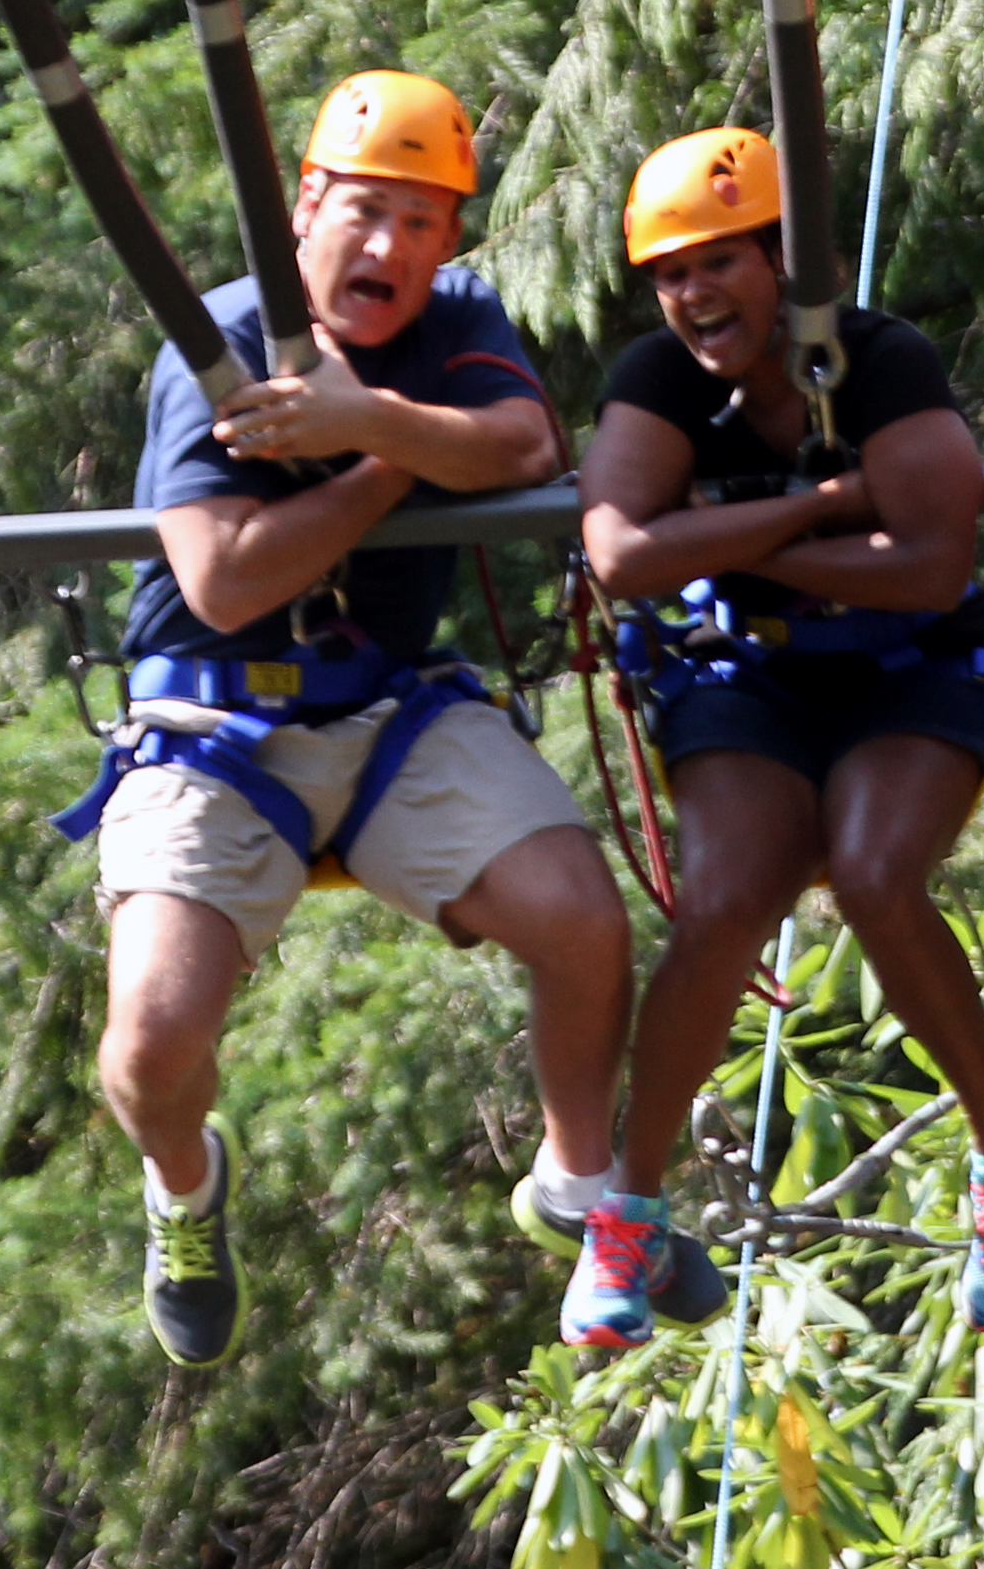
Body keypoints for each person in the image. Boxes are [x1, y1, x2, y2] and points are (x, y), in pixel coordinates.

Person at [63, 69, 712, 1368]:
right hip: (214, 727)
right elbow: (227, 576)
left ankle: (580, 1190)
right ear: (304, 206)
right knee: (147, 1043)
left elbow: (524, 445)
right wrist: (403, 460)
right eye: (366, 214)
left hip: (393, 714)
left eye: (422, 225)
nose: (390, 249)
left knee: (581, 920)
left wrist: (362, 423)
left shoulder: (454, 319)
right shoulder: (219, 346)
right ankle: (185, 1188)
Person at [558, 126, 984, 1350]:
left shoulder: (884, 362)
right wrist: (821, 509)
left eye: (716, 261)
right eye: (669, 272)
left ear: (783, 259)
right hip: (754, 671)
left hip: (916, 663)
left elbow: (931, 565)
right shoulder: (665, 379)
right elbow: (622, 552)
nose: (690, 294)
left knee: (880, 872)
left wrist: (728, 537)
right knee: (725, 895)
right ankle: (628, 1207)